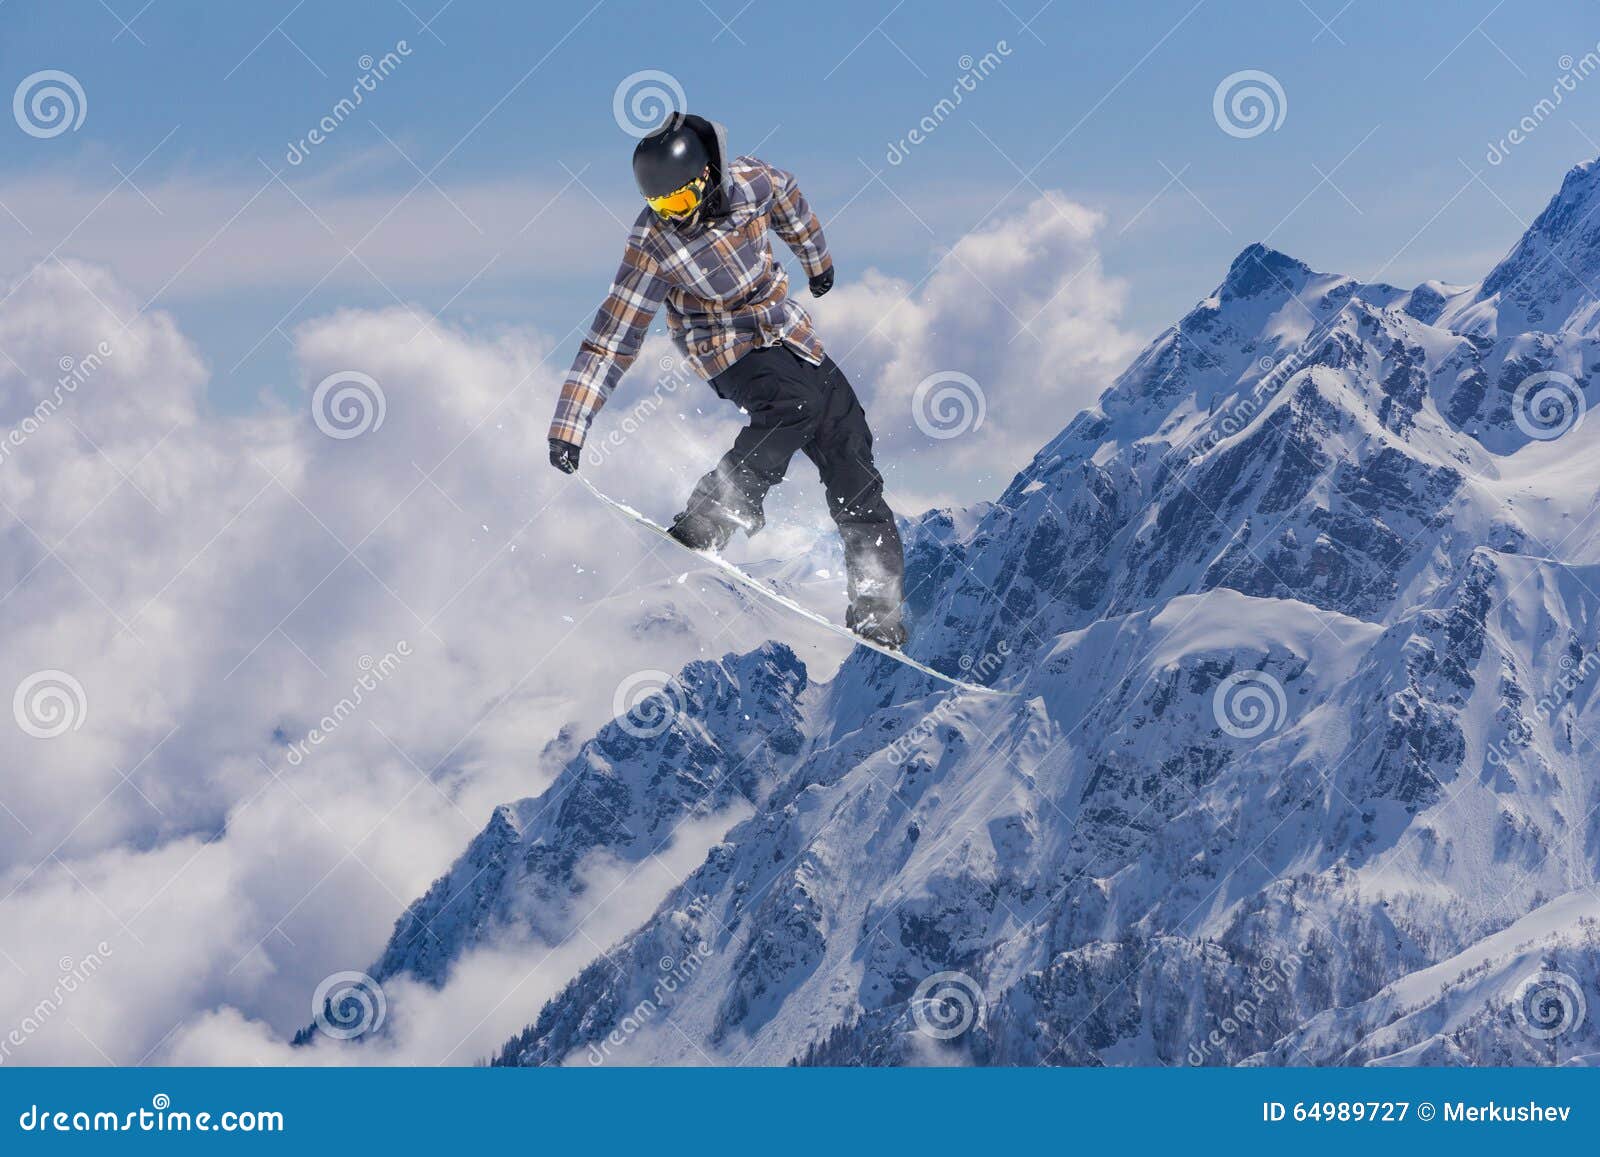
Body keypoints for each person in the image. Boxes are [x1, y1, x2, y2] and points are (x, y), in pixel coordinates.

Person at [547, 113, 907, 647]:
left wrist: (817, 261)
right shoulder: (654, 245)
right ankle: (711, 514)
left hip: (786, 331)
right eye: (661, 205)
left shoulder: (751, 182)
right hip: (725, 347)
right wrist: (569, 426)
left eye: (680, 200)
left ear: (709, 176)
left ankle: (877, 604)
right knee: (794, 406)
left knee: (850, 446)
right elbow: (611, 338)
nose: (675, 215)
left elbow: (789, 200)